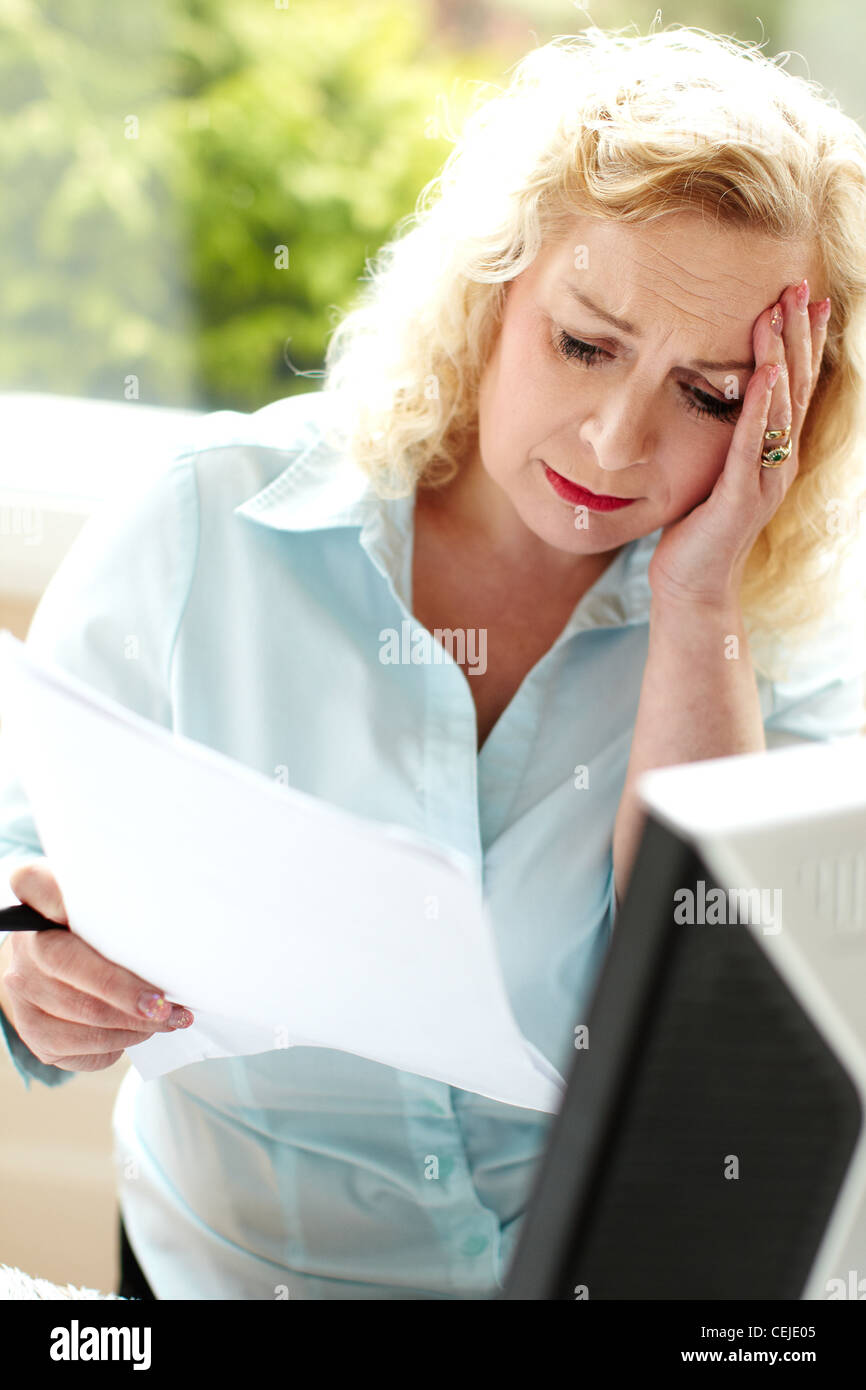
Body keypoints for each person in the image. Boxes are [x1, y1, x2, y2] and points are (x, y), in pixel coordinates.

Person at [1, 24, 865, 1300]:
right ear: (490, 294)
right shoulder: (203, 528)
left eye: (710, 394)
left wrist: (695, 610)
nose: (616, 440)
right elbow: (19, 866)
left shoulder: (778, 639)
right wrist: (24, 958)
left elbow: (719, 1058)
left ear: (784, 415)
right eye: (583, 343)